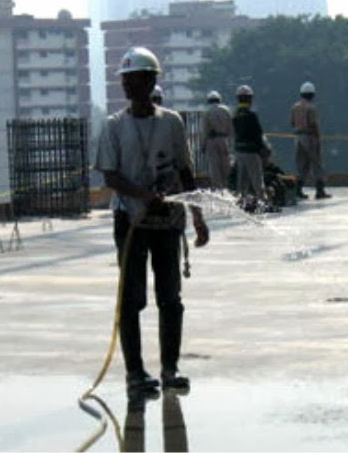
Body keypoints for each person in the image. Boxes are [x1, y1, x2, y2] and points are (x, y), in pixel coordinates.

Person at [95, 47, 209, 396]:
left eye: (134, 79)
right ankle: (135, 374)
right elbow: (111, 176)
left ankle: (170, 368)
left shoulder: (171, 123)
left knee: (169, 297)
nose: (128, 86)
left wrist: (197, 216)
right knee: (132, 299)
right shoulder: (114, 127)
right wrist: (144, 197)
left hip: (166, 224)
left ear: (151, 80)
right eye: (125, 80)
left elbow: (186, 172)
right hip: (130, 222)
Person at [231, 84, 270, 211]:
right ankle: (263, 204)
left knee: (242, 181)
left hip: (240, 151)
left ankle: (243, 204)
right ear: (249, 99)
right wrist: (262, 149)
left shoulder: (235, 115)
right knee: (257, 180)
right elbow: (258, 134)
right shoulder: (251, 115)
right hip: (251, 151)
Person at [290, 81, 330, 199]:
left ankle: (298, 190)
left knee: (302, 165)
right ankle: (320, 191)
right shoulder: (311, 108)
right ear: (312, 94)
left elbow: (292, 123)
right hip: (310, 137)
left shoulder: (295, 107)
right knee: (316, 164)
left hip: (298, 138)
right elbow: (313, 125)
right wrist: (318, 138)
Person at [200, 90, 234, 189]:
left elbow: (205, 131)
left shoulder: (207, 112)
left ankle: (218, 189)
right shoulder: (226, 110)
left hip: (211, 141)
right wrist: (231, 144)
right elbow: (231, 129)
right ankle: (227, 187)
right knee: (226, 165)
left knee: (214, 167)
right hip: (224, 140)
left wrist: (203, 146)